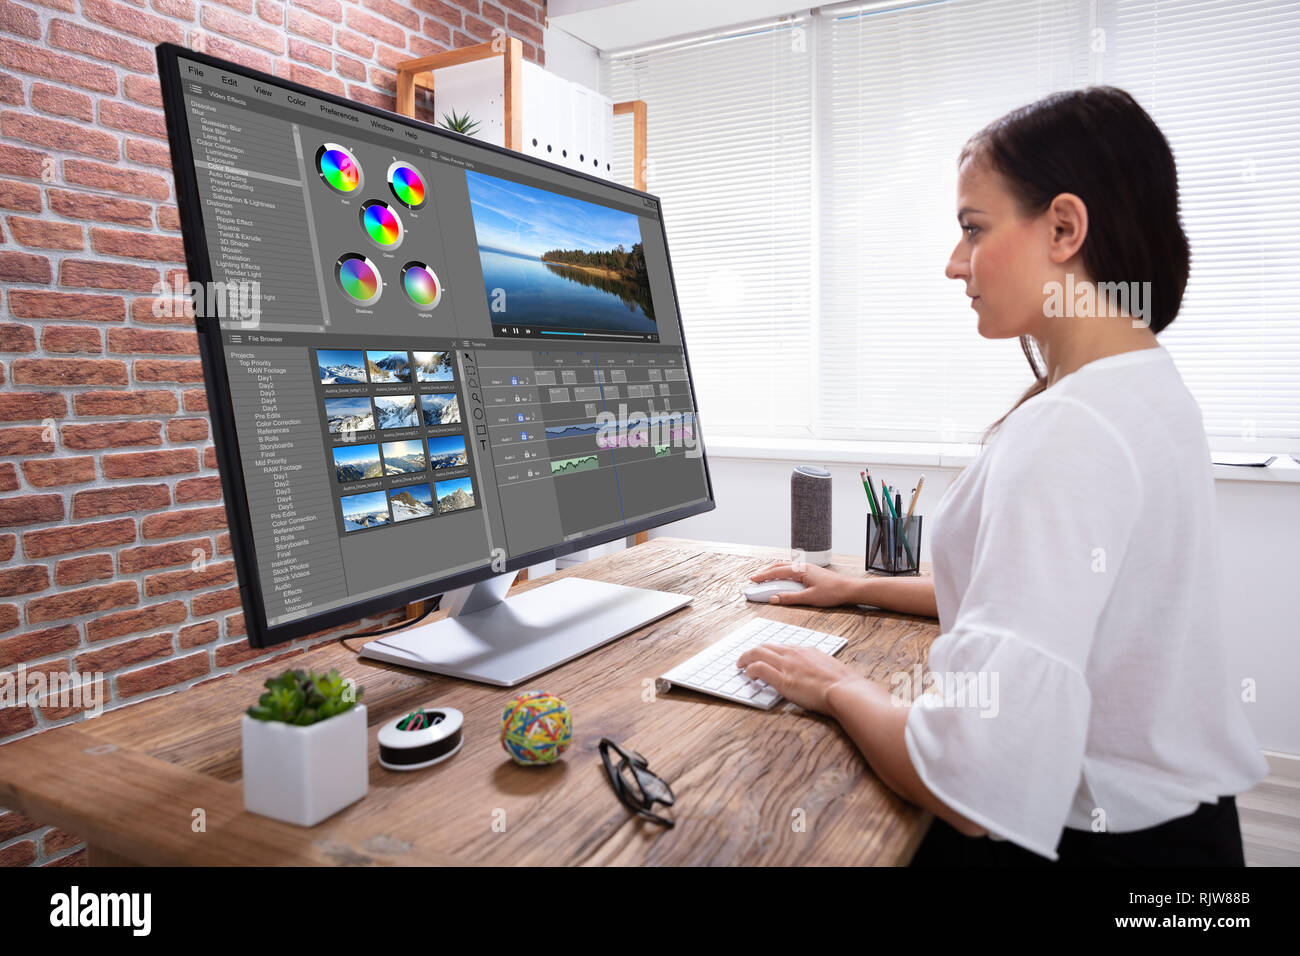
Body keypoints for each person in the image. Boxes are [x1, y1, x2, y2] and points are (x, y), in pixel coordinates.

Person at [738, 86, 1269, 866]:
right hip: (1188, 836)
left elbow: (973, 781)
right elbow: (1059, 602)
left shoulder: (1069, 429)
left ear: (1063, 227)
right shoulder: (1145, 383)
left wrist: (836, 687)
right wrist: (864, 586)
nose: (954, 264)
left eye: (972, 229)